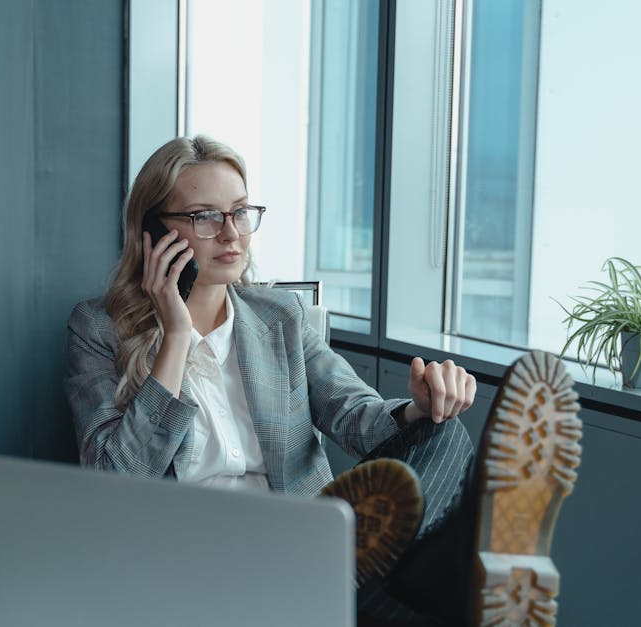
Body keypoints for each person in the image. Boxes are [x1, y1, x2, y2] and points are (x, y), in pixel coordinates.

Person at [64, 135, 480, 620]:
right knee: (428, 610)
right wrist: (175, 336)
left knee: (443, 432)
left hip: (303, 537)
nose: (232, 234)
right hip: (196, 558)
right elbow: (113, 478)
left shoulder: (280, 315)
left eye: (240, 212)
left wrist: (420, 408)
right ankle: (431, 570)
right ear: (153, 232)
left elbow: (357, 418)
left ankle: (350, 566)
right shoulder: (98, 329)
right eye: (205, 216)